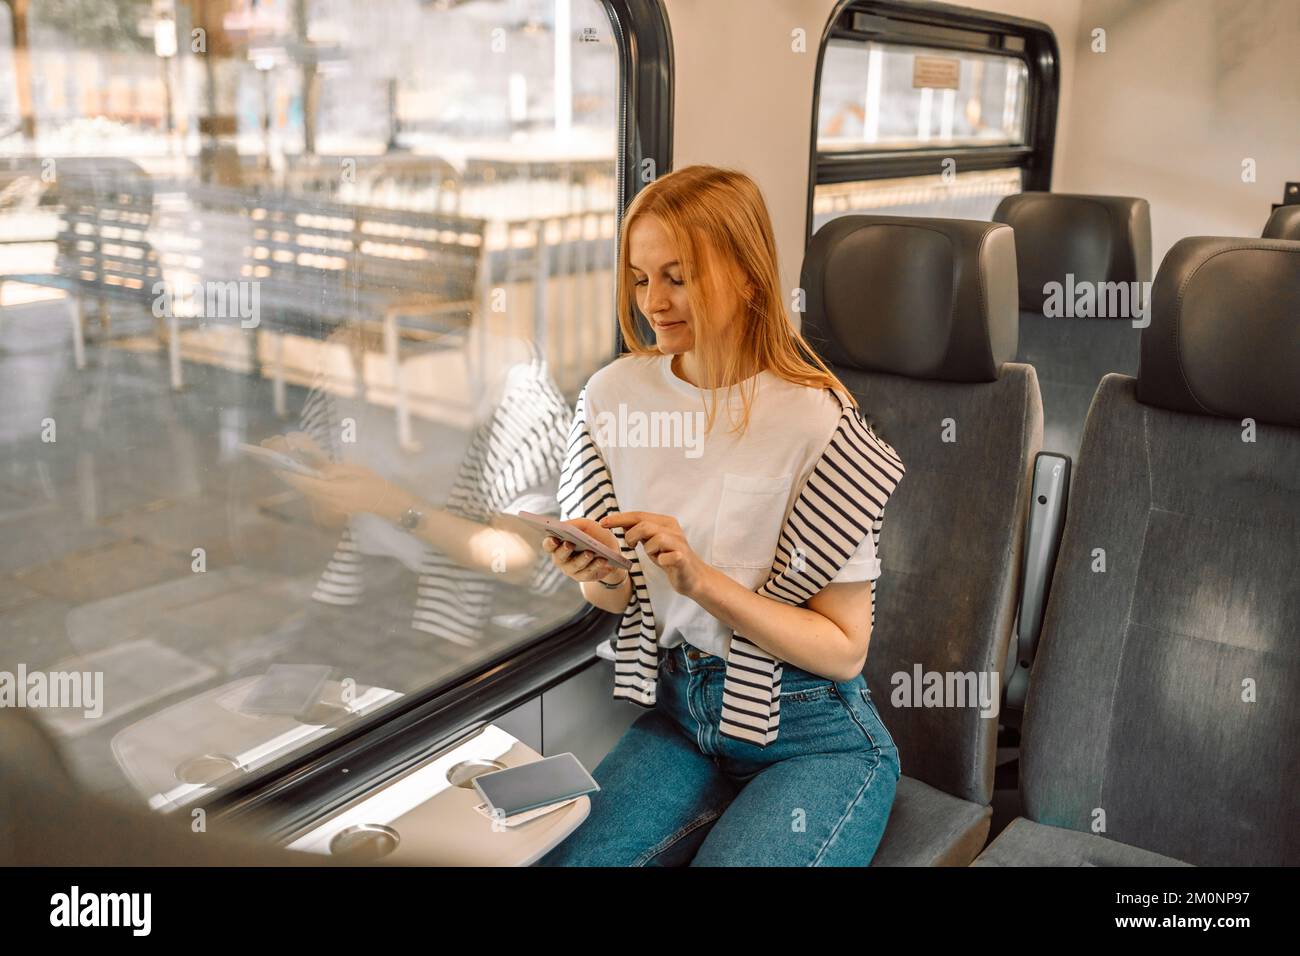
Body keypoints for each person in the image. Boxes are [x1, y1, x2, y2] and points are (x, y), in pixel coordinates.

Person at [535, 165, 905, 867]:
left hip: (812, 732)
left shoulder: (817, 420)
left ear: (746, 276)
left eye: (678, 276)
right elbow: (615, 595)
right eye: (641, 278)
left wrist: (702, 579)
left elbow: (844, 648)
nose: (654, 302)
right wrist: (591, 570)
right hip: (683, 711)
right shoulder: (610, 398)